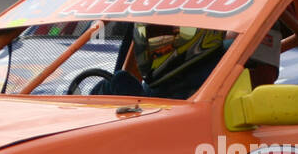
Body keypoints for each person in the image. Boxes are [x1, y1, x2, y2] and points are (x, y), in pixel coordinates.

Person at [94, 24, 282, 99]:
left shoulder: (221, 71)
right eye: (147, 35)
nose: (151, 43)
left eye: (162, 34)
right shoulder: (152, 85)